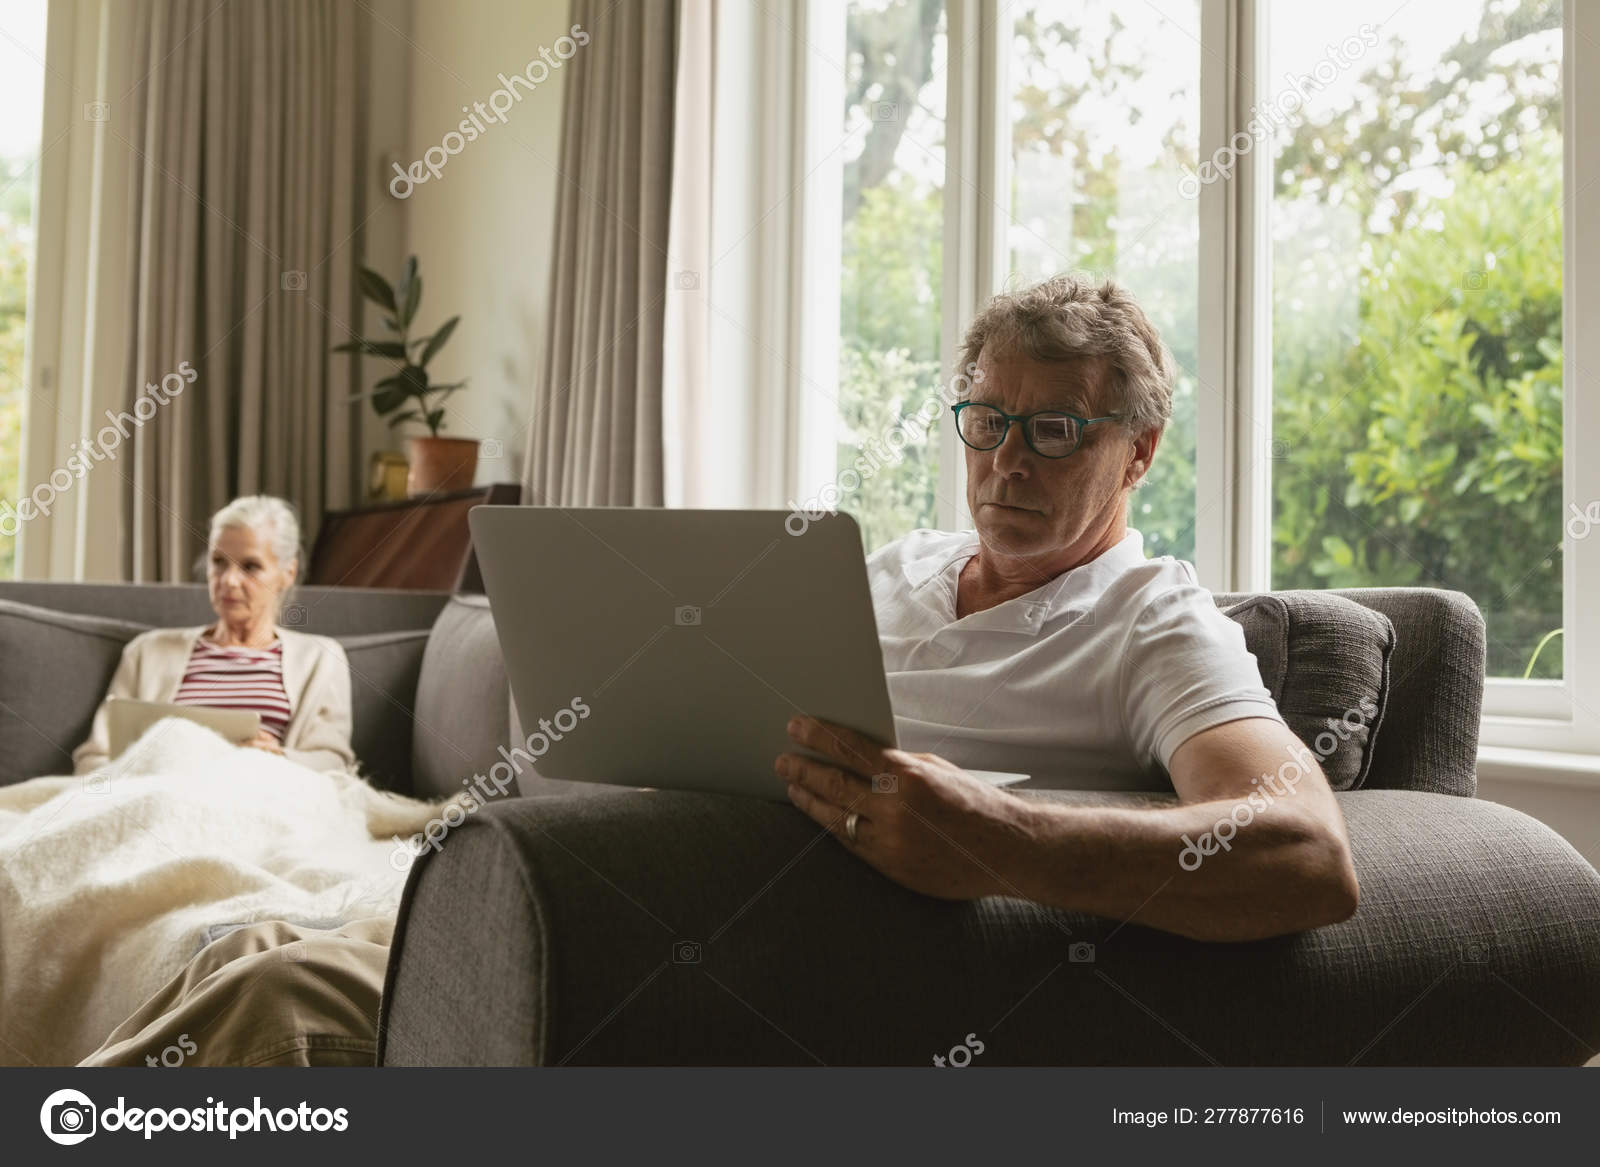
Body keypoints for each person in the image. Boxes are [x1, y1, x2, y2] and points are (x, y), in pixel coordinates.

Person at [776, 273, 1360, 943]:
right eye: (989, 421)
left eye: (1053, 431)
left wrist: (997, 841)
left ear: (1138, 452)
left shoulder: (1154, 619)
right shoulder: (895, 564)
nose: (1006, 461)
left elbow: (1310, 855)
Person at [73, 494, 355, 774]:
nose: (229, 580)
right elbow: (95, 759)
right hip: (163, 794)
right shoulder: (147, 651)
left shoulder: (322, 658)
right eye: (219, 562)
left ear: (287, 573)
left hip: (266, 796)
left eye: (250, 566)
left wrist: (276, 757)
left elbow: (333, 762)